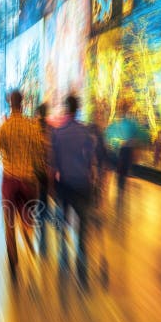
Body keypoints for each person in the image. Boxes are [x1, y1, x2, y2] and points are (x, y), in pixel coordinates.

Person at [0, 90, 47, 282]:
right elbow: (40, 153)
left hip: (9, 179)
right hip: (28, 180)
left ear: (10, 103)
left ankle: (13, 260)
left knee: (8, 221)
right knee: (27, 215)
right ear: (23, 103)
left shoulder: (4, 126)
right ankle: (27, 232)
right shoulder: (32, 126)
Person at [51, 95, 97, 289]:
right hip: (82, 184)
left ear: (65, 109)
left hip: (65, 184)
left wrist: (54, 186)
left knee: (64, 220)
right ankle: (82, 269)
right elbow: (92, 160)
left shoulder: (58, 133)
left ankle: (63, 258)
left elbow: (53, 165)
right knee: (83, 226)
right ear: (78, 109)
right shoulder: (86, 132)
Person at [34, 103, 53, 255]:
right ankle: (43, 214)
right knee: (44, 196)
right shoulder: (50, 128)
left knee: (38, 196)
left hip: (35, 168)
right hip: (46, 168)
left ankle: (40, 215)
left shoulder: (33, 127)